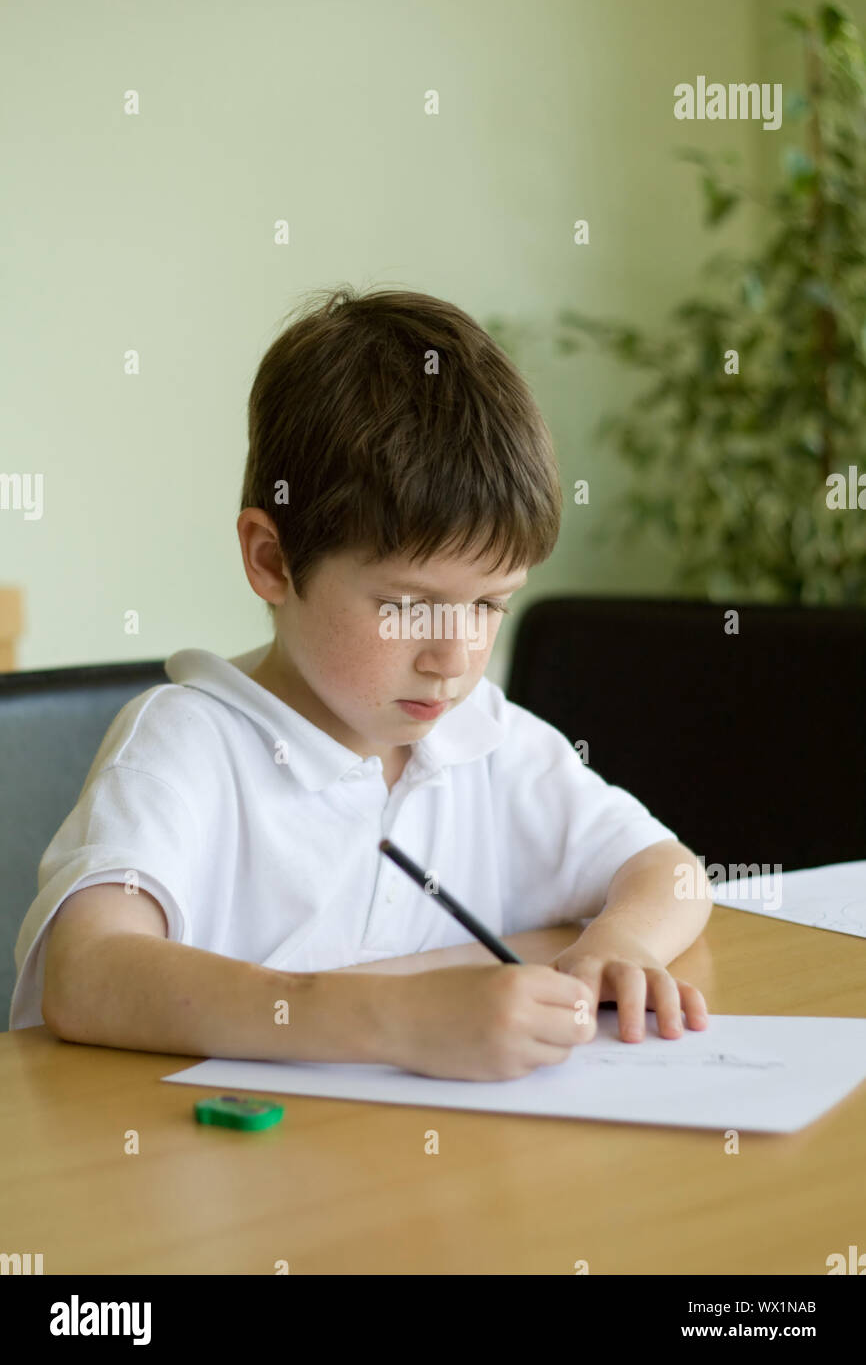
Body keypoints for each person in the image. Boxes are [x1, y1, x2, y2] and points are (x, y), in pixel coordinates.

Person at [11, 285, 709, 1080]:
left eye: (489, 605)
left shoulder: (483, 736)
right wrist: (396, 1019)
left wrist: (619, 943)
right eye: (408, 606)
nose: (455, 657)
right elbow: (87, 973)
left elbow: (671, 871)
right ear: (272, 560)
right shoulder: (186, 742)